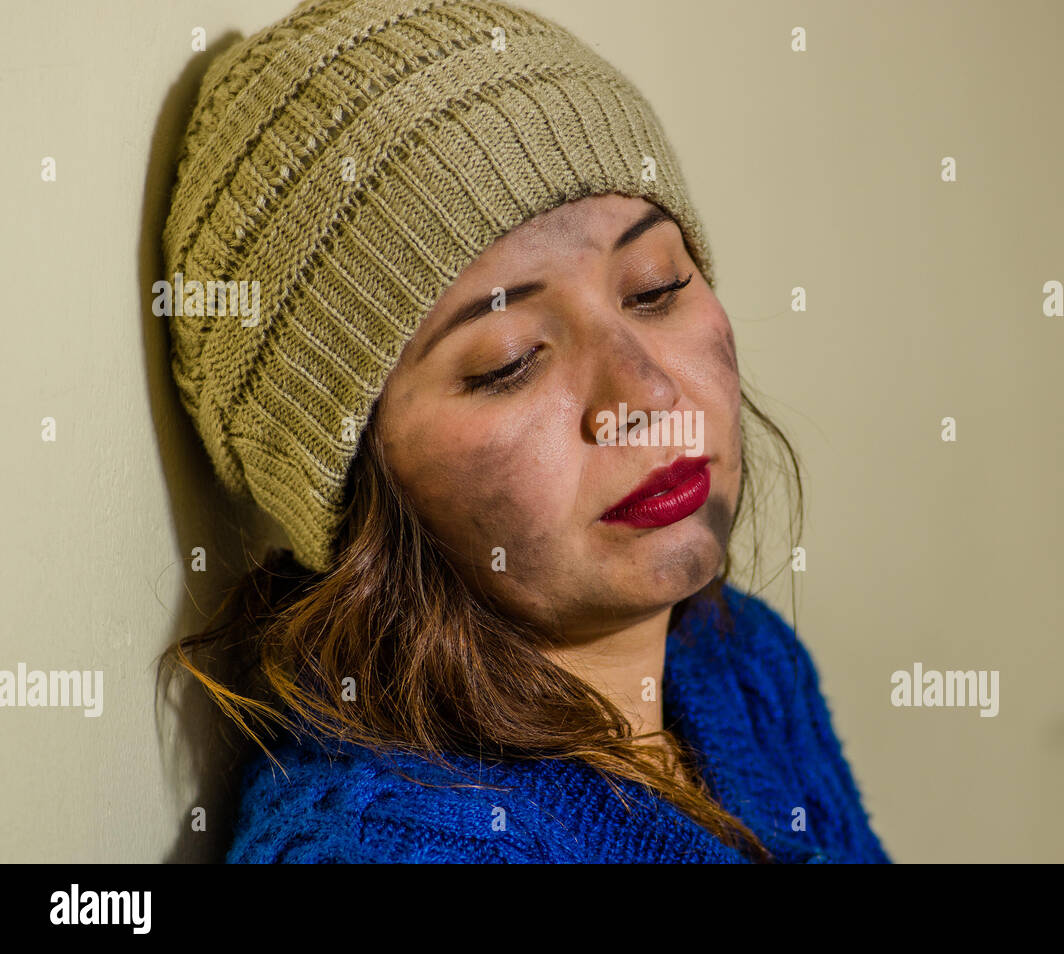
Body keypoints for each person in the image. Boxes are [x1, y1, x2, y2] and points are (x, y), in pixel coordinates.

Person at [159, 0, 890, 864]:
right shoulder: (391, 848)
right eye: (510, 360)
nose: (648, 392)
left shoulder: (743, 662)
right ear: (356, 481)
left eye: (655, 287)